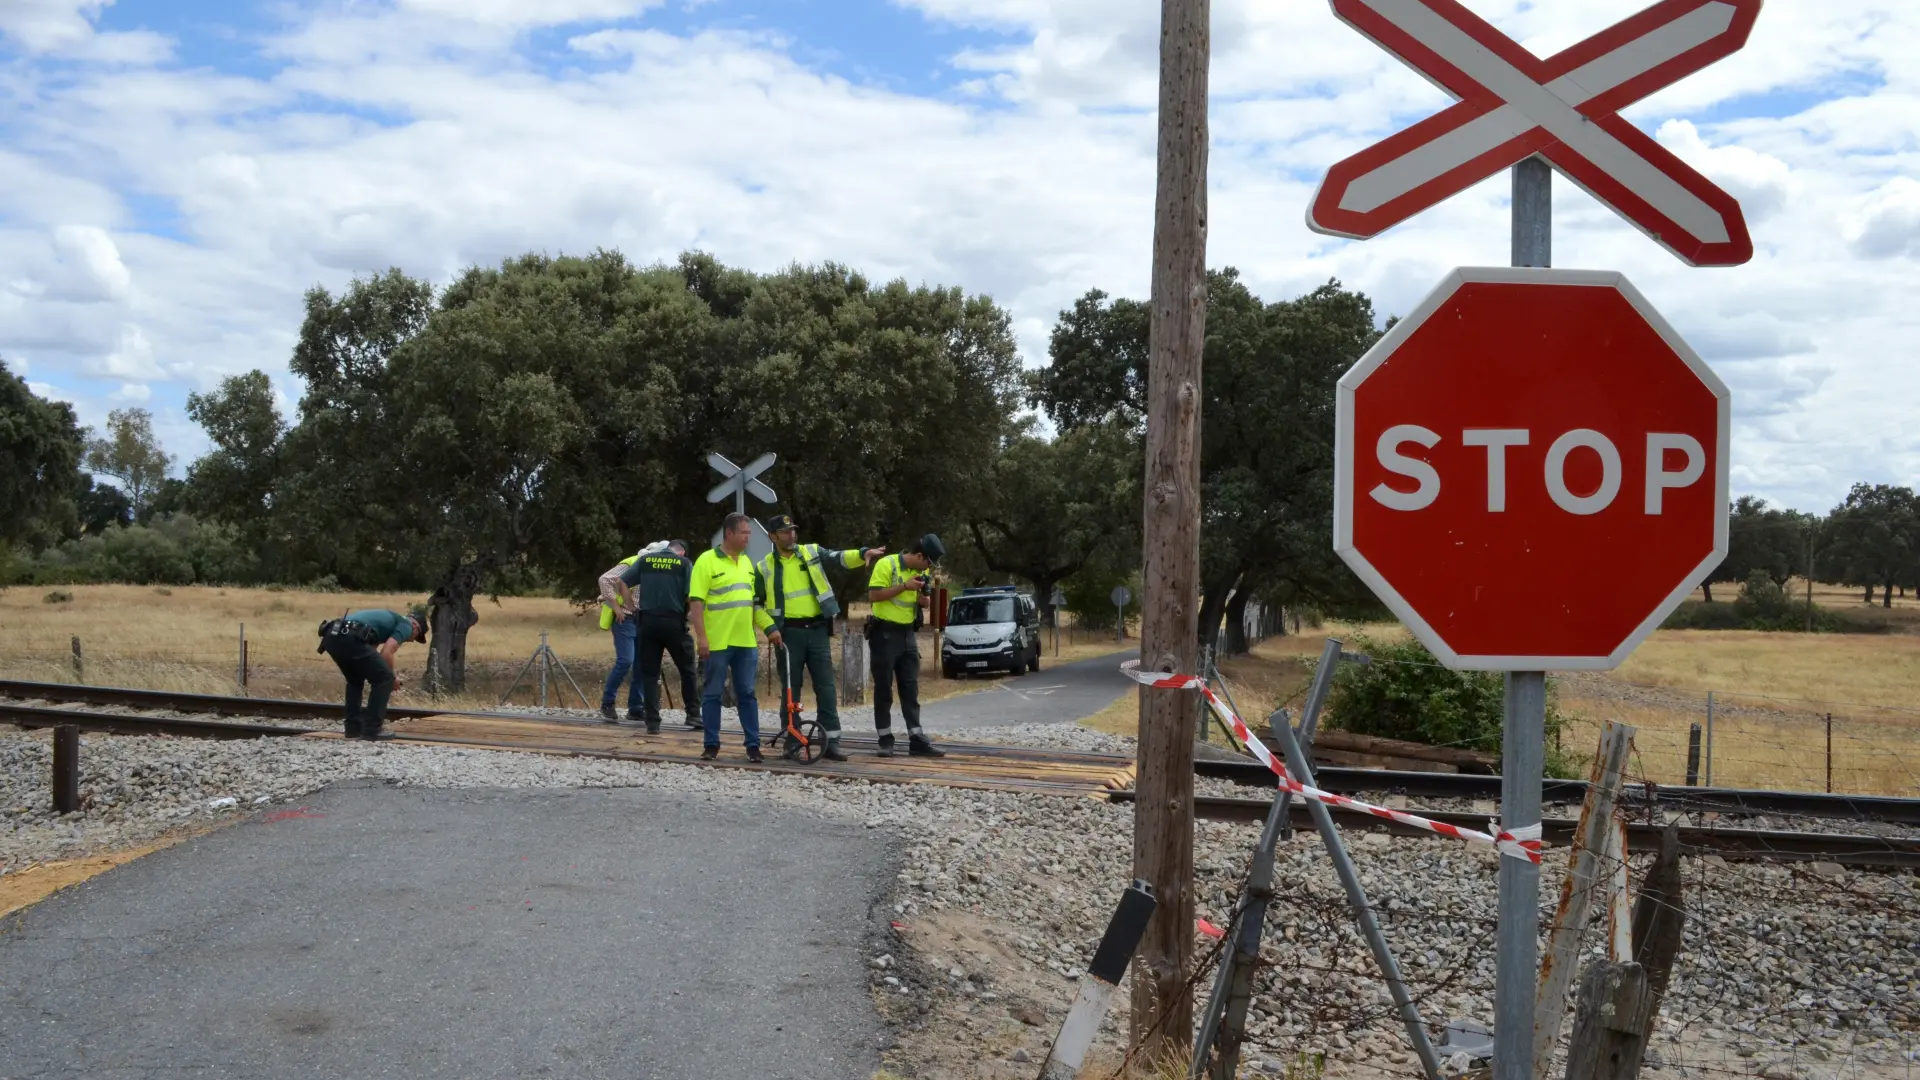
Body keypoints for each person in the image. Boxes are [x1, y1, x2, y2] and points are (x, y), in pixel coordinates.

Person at [755, 513, 883, 762]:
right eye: (785, 531)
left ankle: (831, 741)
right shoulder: (764, 567)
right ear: (773, 536)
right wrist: (770, 629)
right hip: (787, 634)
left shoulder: (810, 552)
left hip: (816, 631)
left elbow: (838, 557)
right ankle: (792, 740)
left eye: (793, 530)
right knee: (791, 690)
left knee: (826, 686)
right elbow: (756, 605)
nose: (791, 535)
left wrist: (862, 553)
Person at [689, 513, 774, 762]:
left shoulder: (747, 563)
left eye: (749, 533)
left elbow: (753, 603)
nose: (748, 537)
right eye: (744, 533)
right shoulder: (707, 561)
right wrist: (702, 638)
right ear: (729, 533)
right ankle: (711, 744)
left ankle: (753, 745)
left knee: (747, 693)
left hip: (745, 642)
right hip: (717, 642)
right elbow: (696, 602)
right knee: (713, 693)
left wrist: (769, 630)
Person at [866, 534, 947, 758]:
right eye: (927, 562)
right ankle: (885, 739)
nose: (928, 568)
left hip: (907, 635)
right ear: (919, 555)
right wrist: (904, 586)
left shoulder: (921, 573)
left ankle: (917, 738)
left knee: (910, 689)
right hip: (884, 634)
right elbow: (873, 595)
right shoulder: (887, 564)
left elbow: (921, 600)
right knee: (883, 689)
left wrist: (924, 601)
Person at [614, 539, 698, 734]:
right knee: (687, 670)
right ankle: (693, 715)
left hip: (647, 622)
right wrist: (685, 614)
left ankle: (652, 722)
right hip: (673, 622)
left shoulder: (646, 560)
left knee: (650, 674)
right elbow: (690, 595)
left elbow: (621, 582)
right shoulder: (684, 564)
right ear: (682, 553)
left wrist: (632, 608)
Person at [316, 609, 426, 741]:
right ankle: (372, 730)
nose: (413, 640)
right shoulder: (406, 625)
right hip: (351, 636)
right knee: (385, 679)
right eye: (417, 636)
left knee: (355, 680)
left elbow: (370, 657)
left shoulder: (384, 622)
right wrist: (393, 679)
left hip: (332, 636)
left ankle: (353, 729)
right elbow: (387, 652)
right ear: (416, 626)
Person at [595, 541, 667, 723]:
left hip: (642, 621)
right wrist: (615, 607)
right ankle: (608, 702)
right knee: (625, 660)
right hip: (624, 619)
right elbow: (604, 580)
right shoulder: (633, 563)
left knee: (641, 665)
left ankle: (635, 707)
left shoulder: (658, 568)